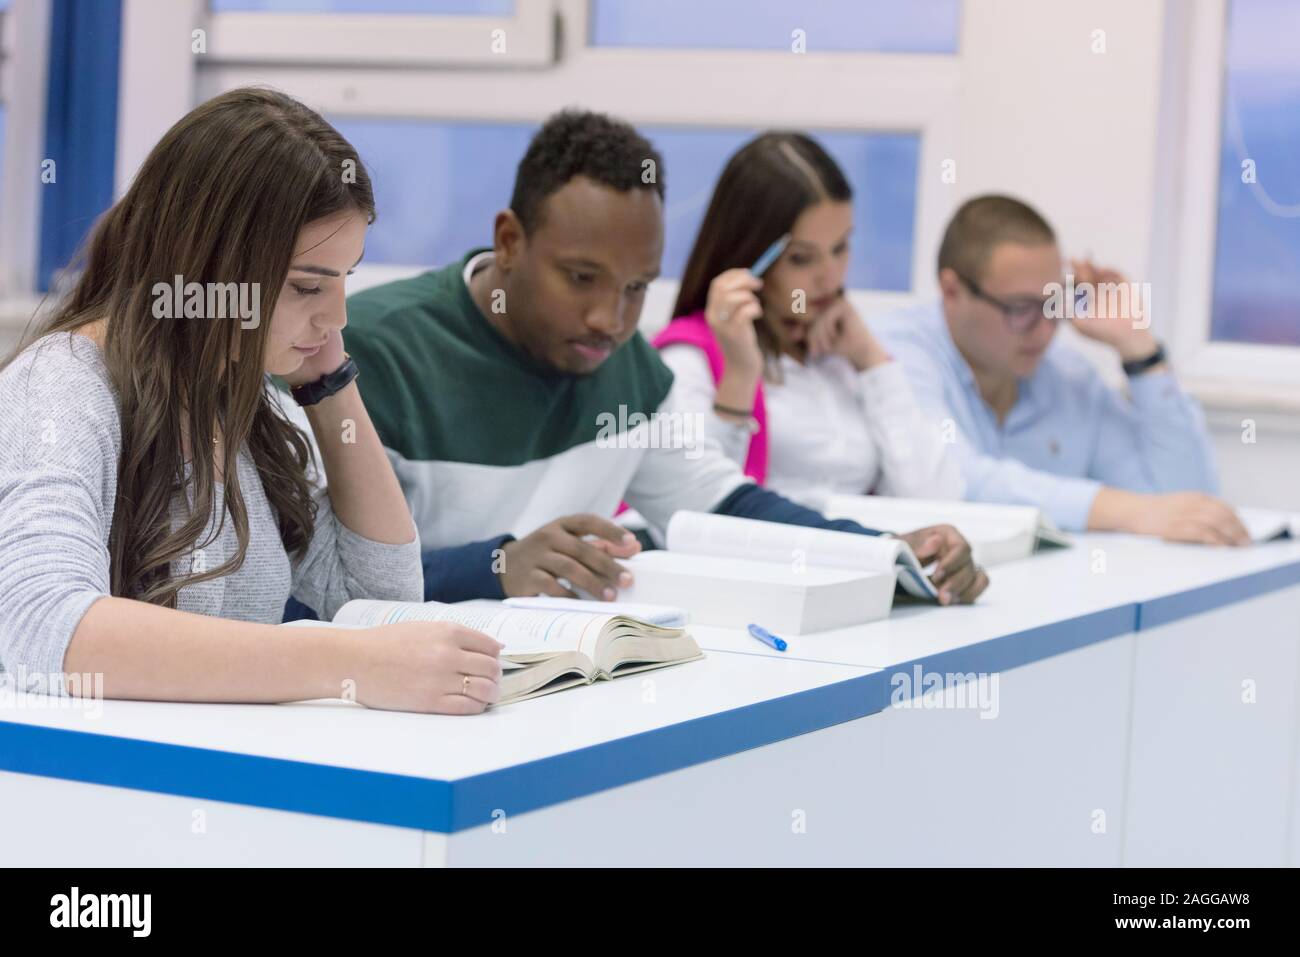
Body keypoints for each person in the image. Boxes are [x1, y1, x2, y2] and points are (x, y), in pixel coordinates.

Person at [335, 110, 989, 607]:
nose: (611, 319)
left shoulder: (629, 367)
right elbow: (303, 585)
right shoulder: (365, 354)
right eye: (581, 277)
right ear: (510, 240)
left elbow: (718, 505)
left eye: (637, 288)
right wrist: (498, 566)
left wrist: (884, 554)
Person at [0, 88, 502, 715]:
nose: (337, 315)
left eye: (345, 279)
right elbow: (47, 632)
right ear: (207, 269)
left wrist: (329, 382)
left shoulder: (230, 399)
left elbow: (377, 593)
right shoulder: (62, 388)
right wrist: (347, 665)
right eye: (306, 286)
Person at [874, 194, 1249, 544]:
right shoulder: (895, 355)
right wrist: (1127, 511)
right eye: (1021, 308)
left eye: (1055, 303)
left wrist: (1140, 351)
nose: (1045, 329)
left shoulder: (1069, 376)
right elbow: (956, 480)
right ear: (952, 290)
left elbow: (1193, 505)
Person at [656, 131, 963, 513]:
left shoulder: (842, 353)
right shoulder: (690, 358)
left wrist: (871, 360)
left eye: (840, 248)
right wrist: (739, 374)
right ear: (748, 257)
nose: (830, 277)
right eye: (802, 259)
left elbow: (939, 500)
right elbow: (689, 511)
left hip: (867, 560)